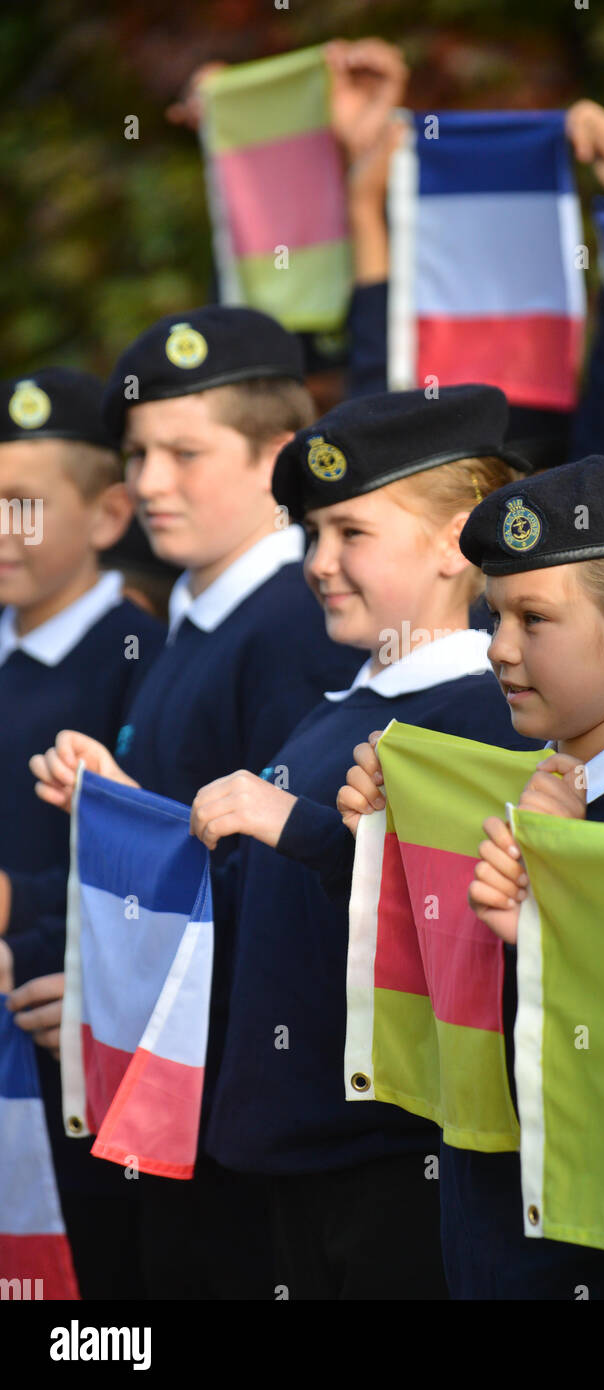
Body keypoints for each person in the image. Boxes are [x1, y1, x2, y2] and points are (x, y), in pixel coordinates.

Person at [28, 304, 362, 1300]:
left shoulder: (296, 624)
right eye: (136, 453)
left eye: (186, 451)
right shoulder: (194, 612)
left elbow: (281, 876)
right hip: (176, 1095)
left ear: (279, 459)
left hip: (240, 1104)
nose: (149, 482)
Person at [185, 384, 542, 1299]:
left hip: (394, 1156)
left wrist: (297, 828)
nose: (318, 561)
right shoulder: (336, 707)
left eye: (352, 533)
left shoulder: (486, 714)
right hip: (292, 1143)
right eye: (312, 534)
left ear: (457, 539)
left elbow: (463, 922)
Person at [343, 455, 604, 1299]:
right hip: (488, 1232)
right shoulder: (514, 780)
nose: (498, 650)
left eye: (534, 620)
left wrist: (582, 892)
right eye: (495, 615)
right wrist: (375, 850)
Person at [0, 366, 164, 1299]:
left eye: (23, 506)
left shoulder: (136, 658)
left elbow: (158, 866)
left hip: (75, 1053)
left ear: (107, 517)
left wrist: (19, 910)